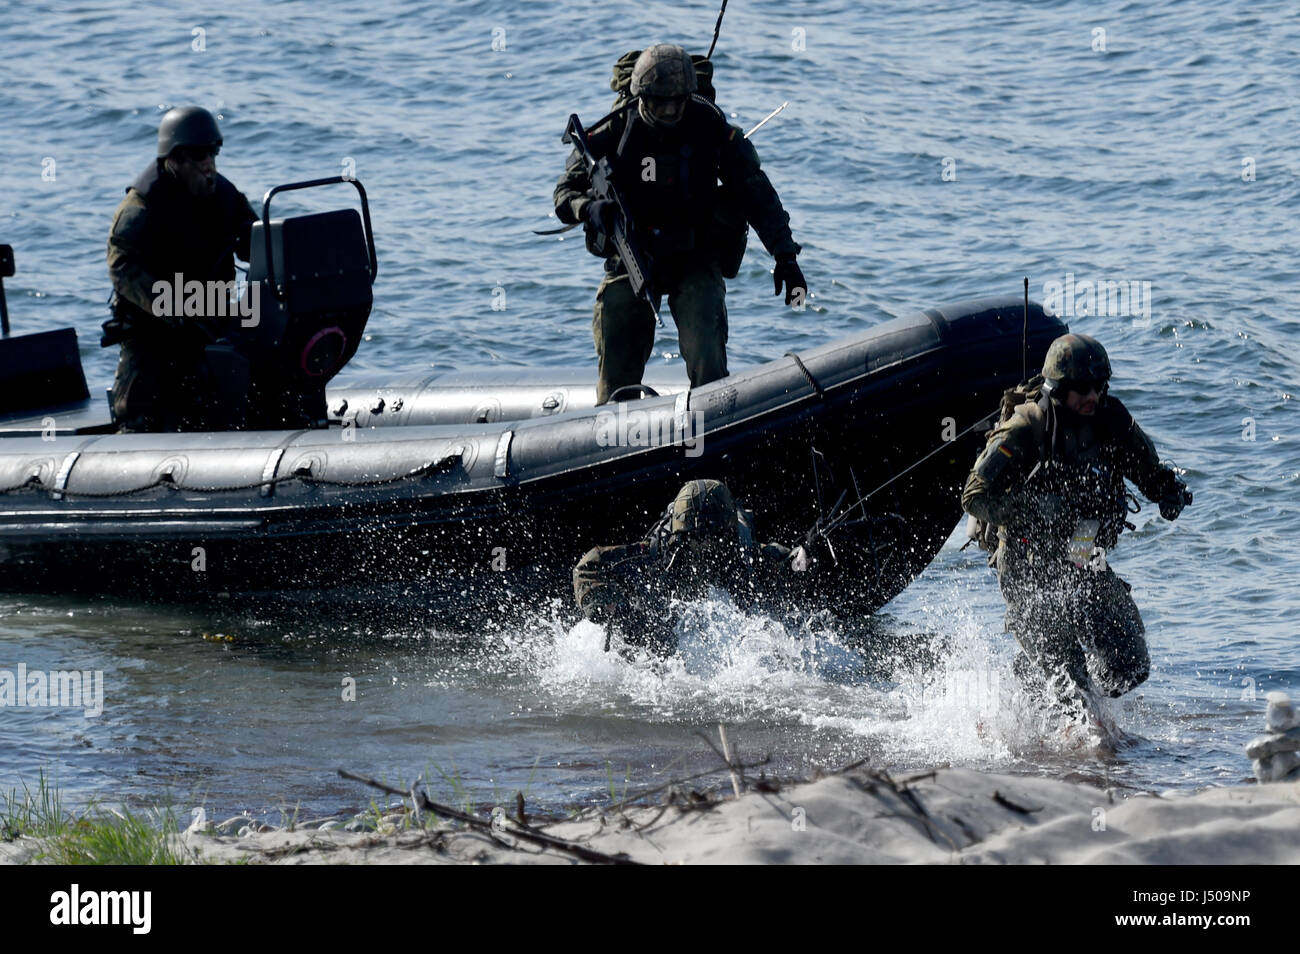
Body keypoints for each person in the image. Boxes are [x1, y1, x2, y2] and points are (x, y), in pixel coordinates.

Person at [553, 43, 807, 405]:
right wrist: (587, 209)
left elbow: (757, 194)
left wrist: (785, 256)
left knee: (708, 358)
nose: (670, 110)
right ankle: (616, 440)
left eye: (678, 100)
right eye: (660, 101)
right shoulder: (616, 128)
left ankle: (715, 430)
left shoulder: (711, 126)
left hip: (694, 255)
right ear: (642, 95)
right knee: (617, 363)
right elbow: (565, 193)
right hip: (632, 256)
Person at [961, 334, 1191, 719]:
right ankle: (1066, 708)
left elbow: (1148, 473)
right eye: (1082, 389)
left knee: (1130, 665)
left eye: (1100, 387)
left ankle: (1060, 699)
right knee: (1073, 694)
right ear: (1059, 388)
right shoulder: (1026, 428)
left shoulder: (1111, 420)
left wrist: (1168, 493)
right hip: (1027, 563)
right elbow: (974, 495)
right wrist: (1033, 509)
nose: (1093, 397)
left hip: (1083, 552)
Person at [103, 105, 257, 432]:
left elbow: (255, 240)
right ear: (174, 159)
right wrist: (173, 305)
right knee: (140, 414)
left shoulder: (225, 197)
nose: (209, 166)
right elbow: (122, 267)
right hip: (154, 332)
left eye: (213, 154)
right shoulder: (141, 208)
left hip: (211, 321)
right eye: (200, 157)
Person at [573, 479, 817, 651]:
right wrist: (608, 604)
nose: (702, 543)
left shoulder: (742, 549)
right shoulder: (663, 548)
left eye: (709, 536)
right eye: (695, 536)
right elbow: (587, 568)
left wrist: (804, 558)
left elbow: (787, 560)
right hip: (662, 630)